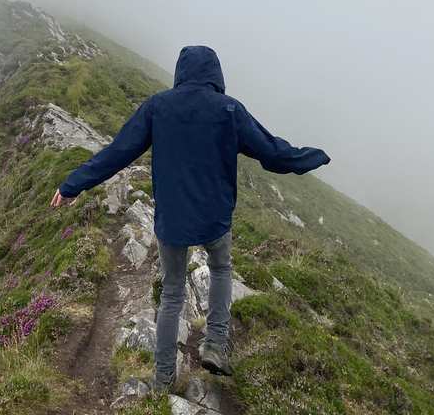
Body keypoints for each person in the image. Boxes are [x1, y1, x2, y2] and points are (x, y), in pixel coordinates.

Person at [50, 45, 330, 392]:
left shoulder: (158, 107)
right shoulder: (228, 109)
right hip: (215, 218)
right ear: (216, 74)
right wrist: (311, 157)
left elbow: (118, 152)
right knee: (222, 269)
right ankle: (214, 343)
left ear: (181, 71)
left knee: (171, 294)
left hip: (173, 220)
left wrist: (73, 184)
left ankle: (164, 378)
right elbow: (273, 153)